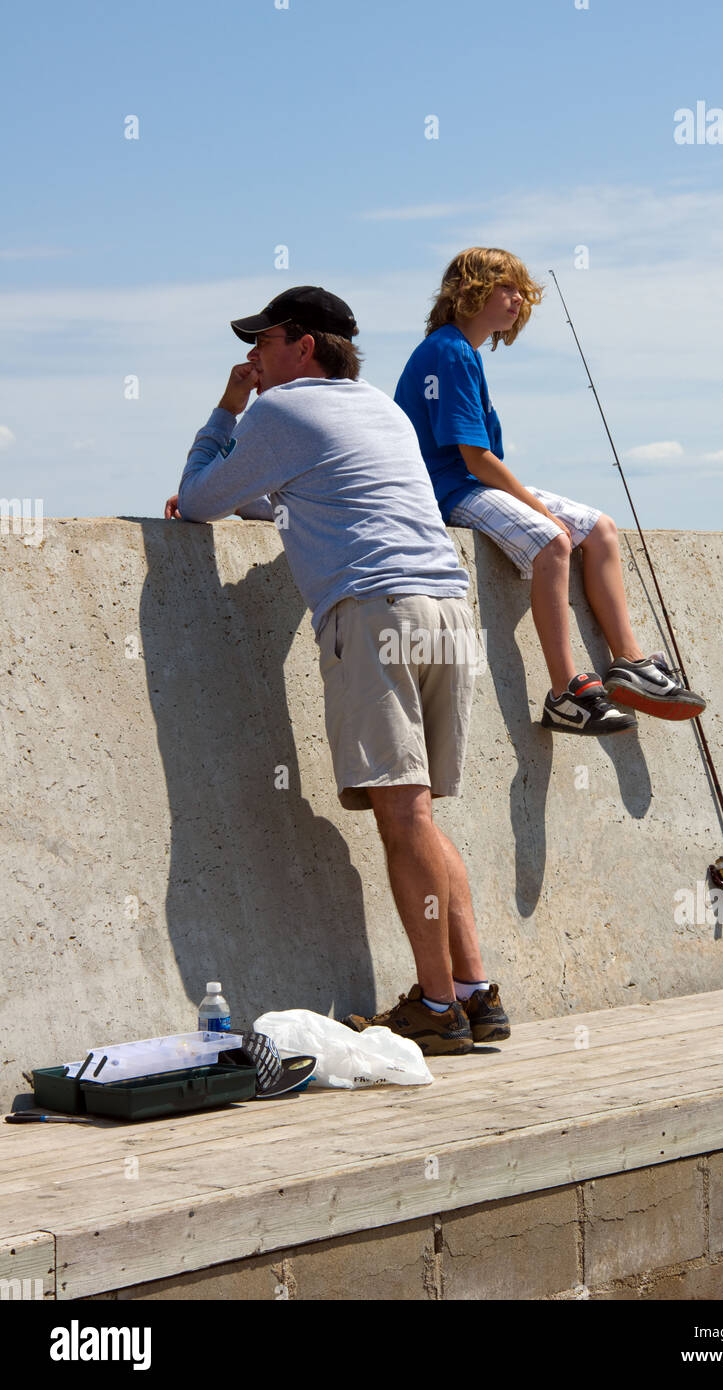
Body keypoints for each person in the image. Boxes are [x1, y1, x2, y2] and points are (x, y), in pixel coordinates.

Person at [164, 285, 509, 1056]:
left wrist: (225, 411)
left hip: (377, 612)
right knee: (421, 814)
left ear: (305, 346)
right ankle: (476, 993)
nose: (252, 357)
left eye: (264, 341)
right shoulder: (379, 410)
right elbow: (327, 497)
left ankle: (435, 1005)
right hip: (448, 607)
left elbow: (196, 500)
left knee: (405, 817)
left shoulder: (281, 413)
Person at [394, 247, 707, 735]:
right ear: (469, 291)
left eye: (521, 289)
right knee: (552, 540)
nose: (518, 298)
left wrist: (535, 506)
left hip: (470, 480)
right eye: (506, 286)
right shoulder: (447, 350)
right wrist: (540, 511)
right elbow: (475, 458)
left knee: (600, 529)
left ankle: (628, 661)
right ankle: (565, 693)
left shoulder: (463, 352)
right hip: (448, 489)